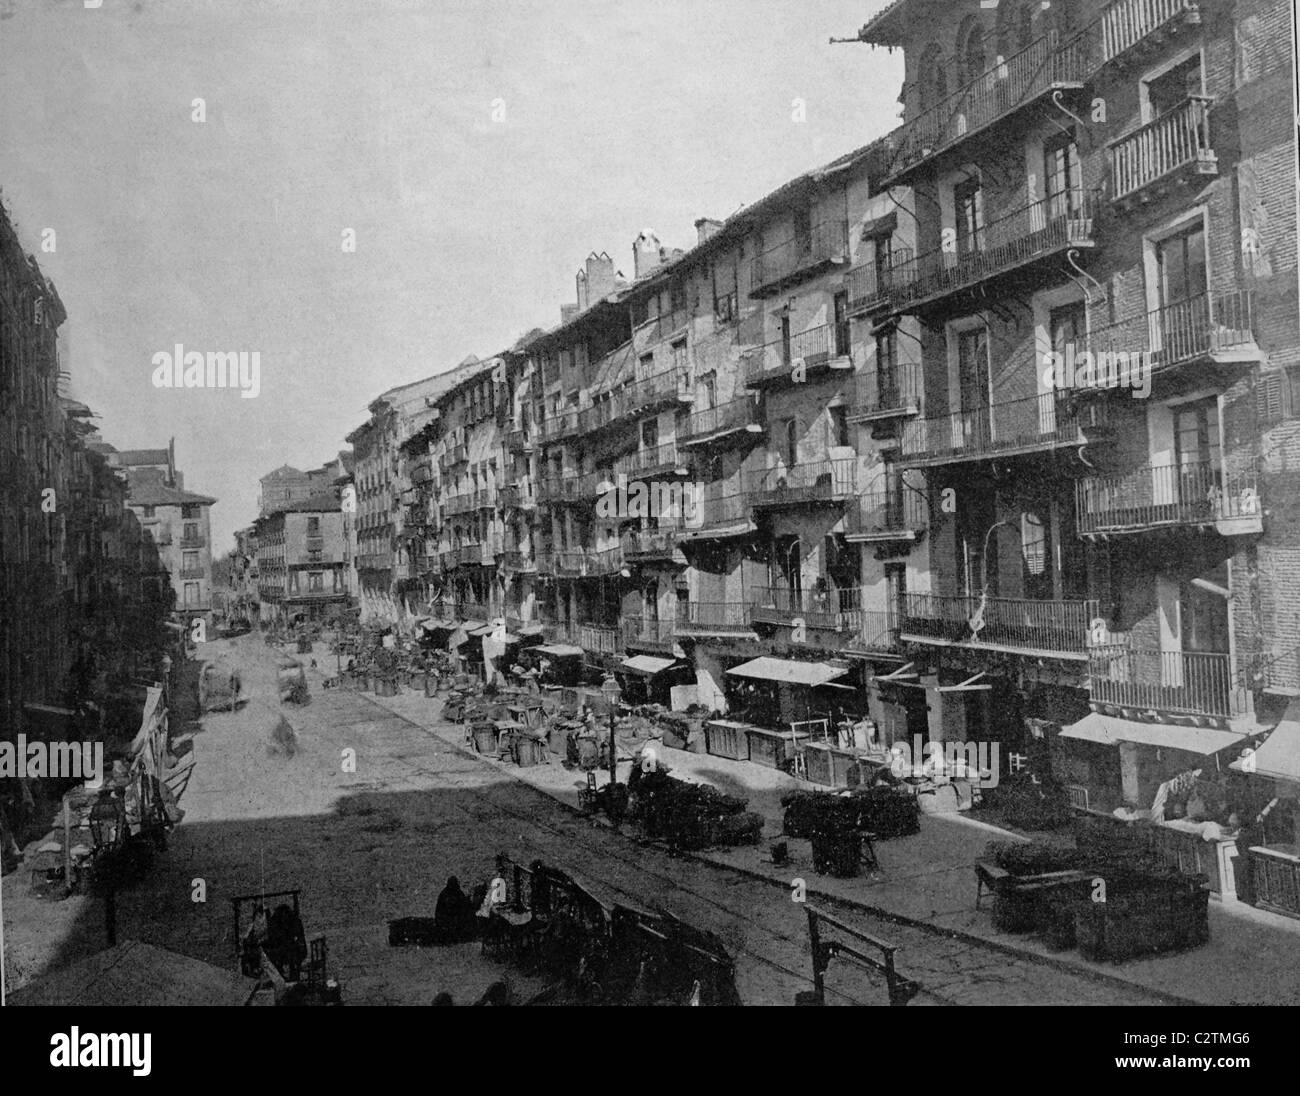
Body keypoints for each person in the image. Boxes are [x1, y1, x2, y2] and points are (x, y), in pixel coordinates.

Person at [434, 875, 476, 943]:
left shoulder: (453, 893)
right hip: (447, 920)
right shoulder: (446, 894)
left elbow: (463, 905)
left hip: (450, 921)